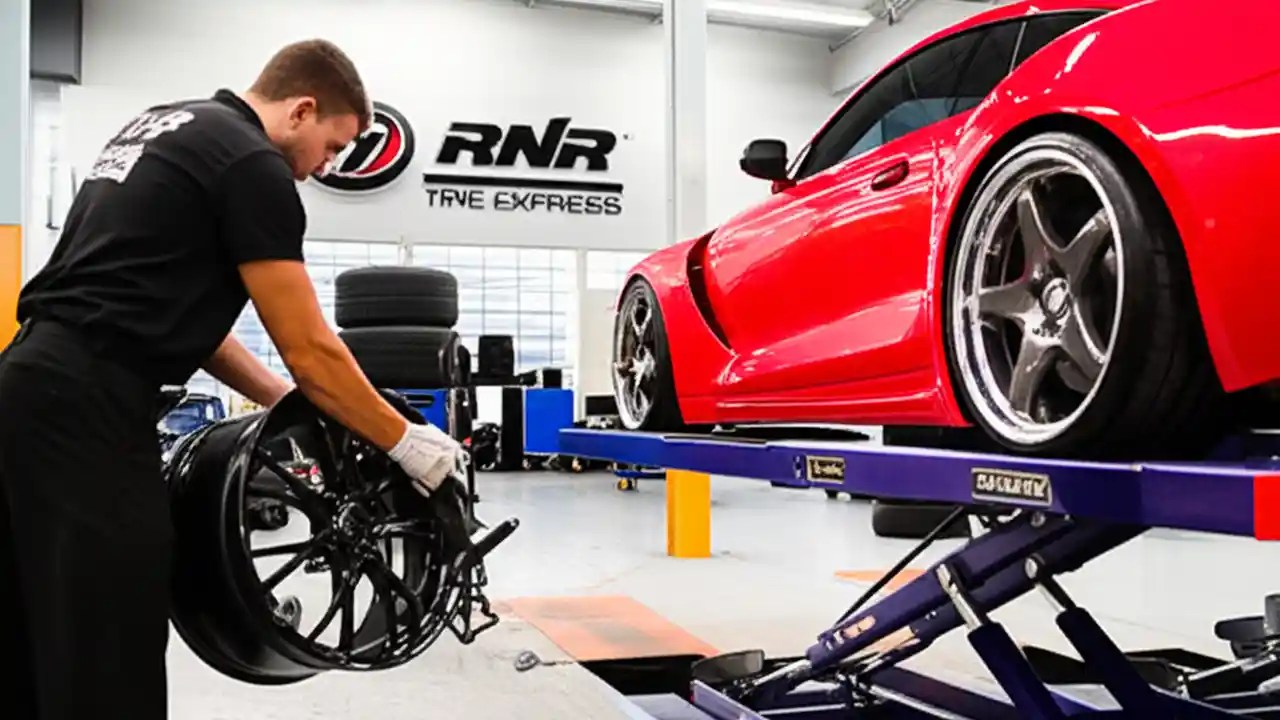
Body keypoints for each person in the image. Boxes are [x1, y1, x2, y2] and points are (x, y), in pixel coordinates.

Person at [0, 39, 463, 719]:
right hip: (88, 406)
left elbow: (189, 322)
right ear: (301, 110)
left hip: (32, 386)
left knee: (42, 614)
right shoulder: (253, 167)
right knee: (110, 625)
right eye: (331, 149)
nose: (321, 168)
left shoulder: (172, 127)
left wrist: (284, 401)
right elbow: (312, 348)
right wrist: (407, 443)